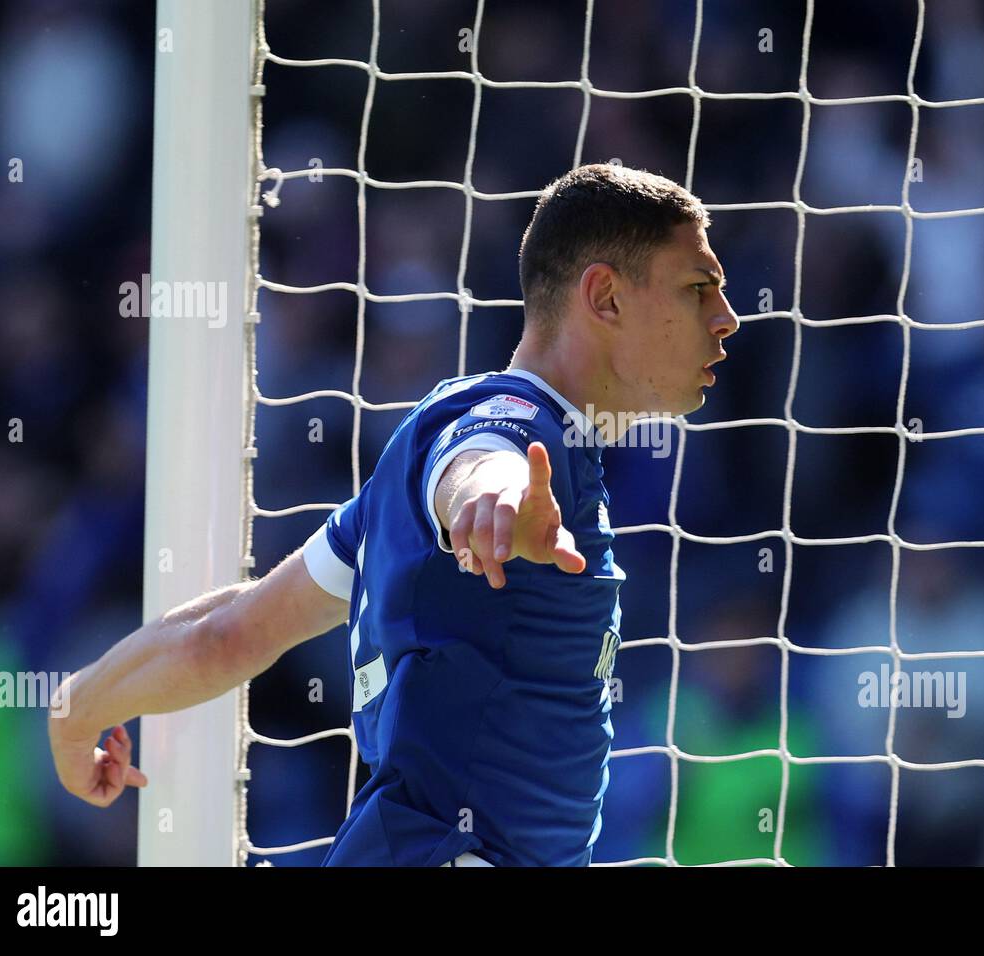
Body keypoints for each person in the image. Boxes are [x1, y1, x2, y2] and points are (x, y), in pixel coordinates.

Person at [48, 163, 739, 866]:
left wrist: (78, 706)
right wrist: (487, 502)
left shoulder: (422, 450)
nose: (727, 318)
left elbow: (226, 635)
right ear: (605, 297)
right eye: (697, 289)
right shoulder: (522, 431)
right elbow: (479, 460)